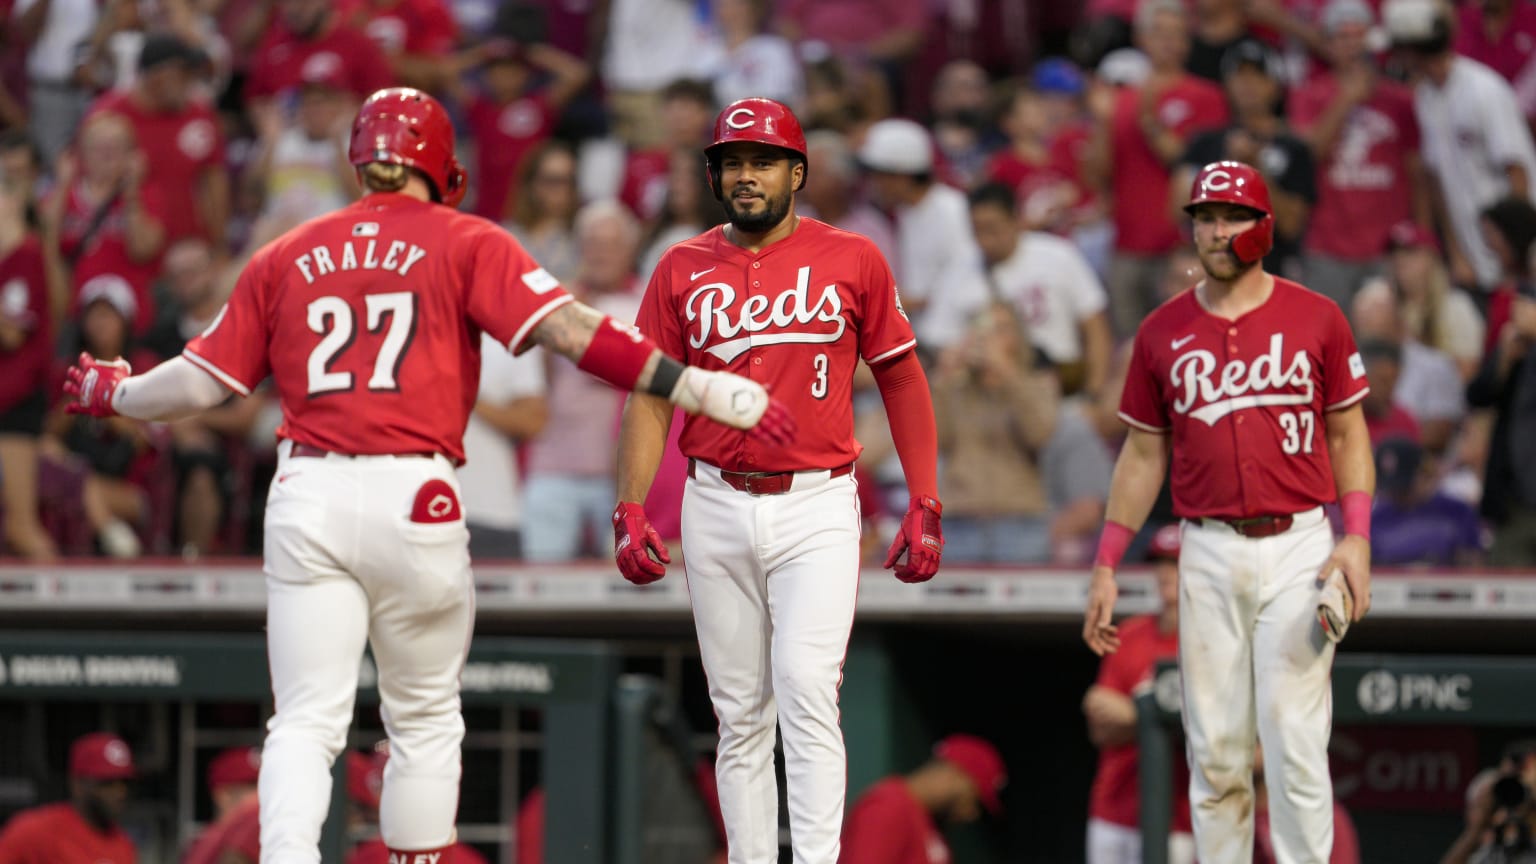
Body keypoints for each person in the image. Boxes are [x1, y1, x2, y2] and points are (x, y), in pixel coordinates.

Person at [61, 87, 793, 863]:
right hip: (415, 493)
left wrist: (118, 391)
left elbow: (202, 381)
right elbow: (572, 332)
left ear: (361, 160)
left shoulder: (287, 250)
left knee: (305, 720)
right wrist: (694, 385)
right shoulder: (466, 239)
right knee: (423, 717)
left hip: (306, 490)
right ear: (441, 164)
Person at [612, 97, 943, 864]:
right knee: (738, 712)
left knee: (803, 688)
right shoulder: (680, 265)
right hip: (713, 499)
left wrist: (924, 497)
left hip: (818, 500)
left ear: (797, 172)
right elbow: (650, 394)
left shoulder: (853, 256)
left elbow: (901, 377)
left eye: (762, 161)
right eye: (732, 162)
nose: (746, 175)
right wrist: (630, 504)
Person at [1083, 160, 1376, 864]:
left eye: (1233, 215)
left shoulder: (1317, 316)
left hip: (1300, 538)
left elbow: (1347, 431)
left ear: (1264, 226)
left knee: (1293, 738)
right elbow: (1143, 454)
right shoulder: (1162, 332)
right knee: (1213, 748)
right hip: (1206, 545)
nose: (1217, 230)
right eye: (1206, 217)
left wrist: (1358, 538)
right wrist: (1106, 563)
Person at [1083, 525, 1194, 864]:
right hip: (1115, 810)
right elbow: (1100, 728)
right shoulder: (1132, 633)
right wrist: (1162, 716)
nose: (1165, 573)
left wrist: (1137, 714)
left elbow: (1204, 731)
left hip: (1180, 818)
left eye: (1175, 563)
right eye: (1160, 563)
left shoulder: (1212, 640)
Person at [838, 734, 1007, 864]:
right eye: (974, 800)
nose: (972, 813)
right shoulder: (889, 807)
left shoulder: (929, 824)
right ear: (956, 777)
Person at [0, 732, 138, 863]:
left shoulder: (123, 844)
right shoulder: (35, 832)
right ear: (77, 784)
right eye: (107, 783)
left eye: (124, 782)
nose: (120, 791)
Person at [181, 747, 262, 864]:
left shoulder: (206, 841)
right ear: (223, 795)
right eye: (252, 787)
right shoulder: (252, 820)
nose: (261, 794)